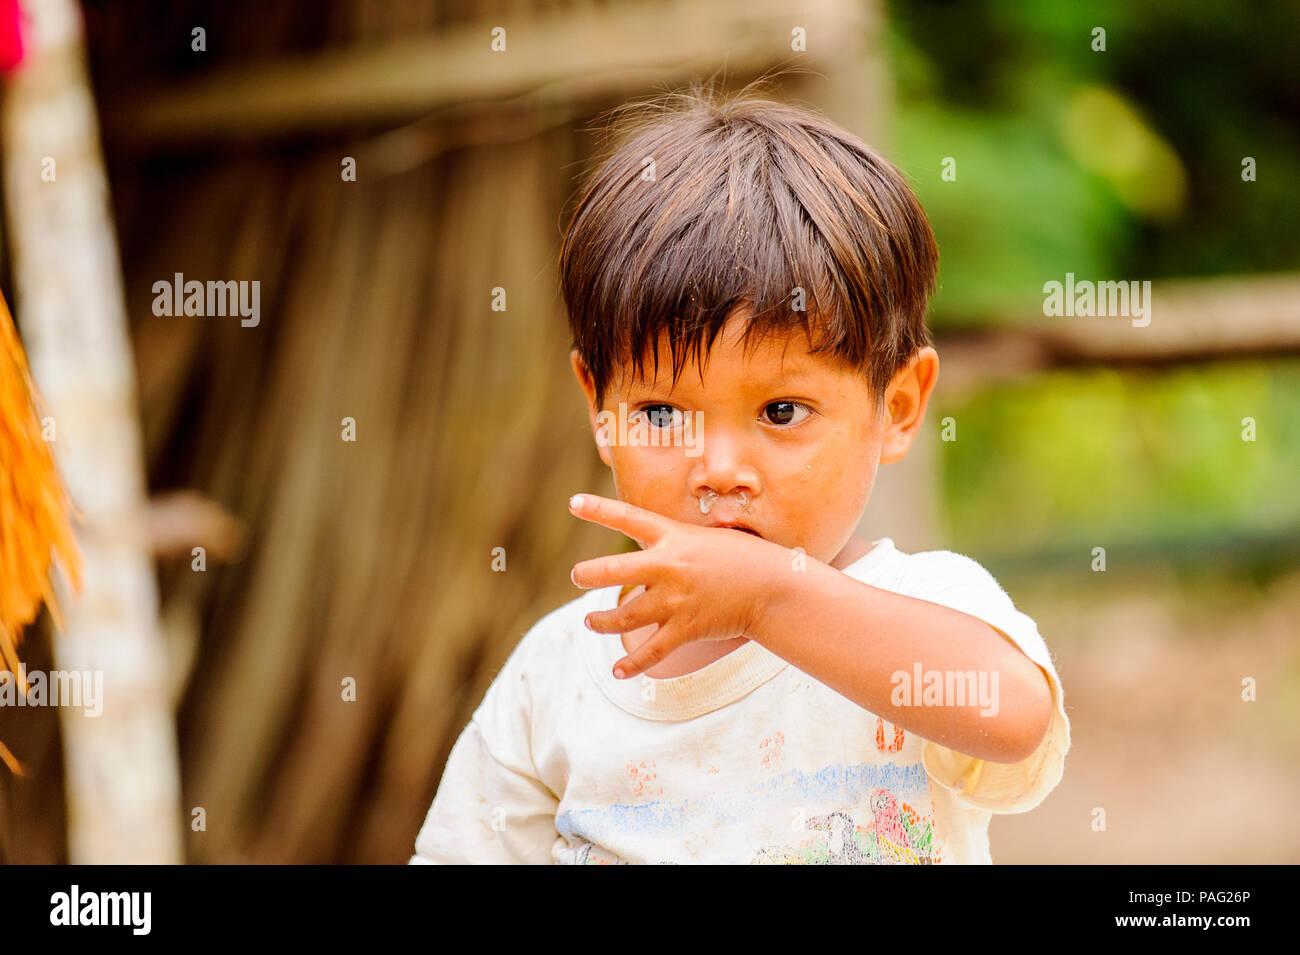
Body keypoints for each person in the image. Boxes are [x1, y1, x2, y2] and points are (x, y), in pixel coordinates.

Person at [410, 80, 1069, 864]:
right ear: (600, 406)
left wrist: (769, 597)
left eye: (782, 412)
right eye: (662, 415)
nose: (720, 471)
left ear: (897, 408)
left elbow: (1013, 712)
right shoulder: (558, 678)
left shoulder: (919, 611)